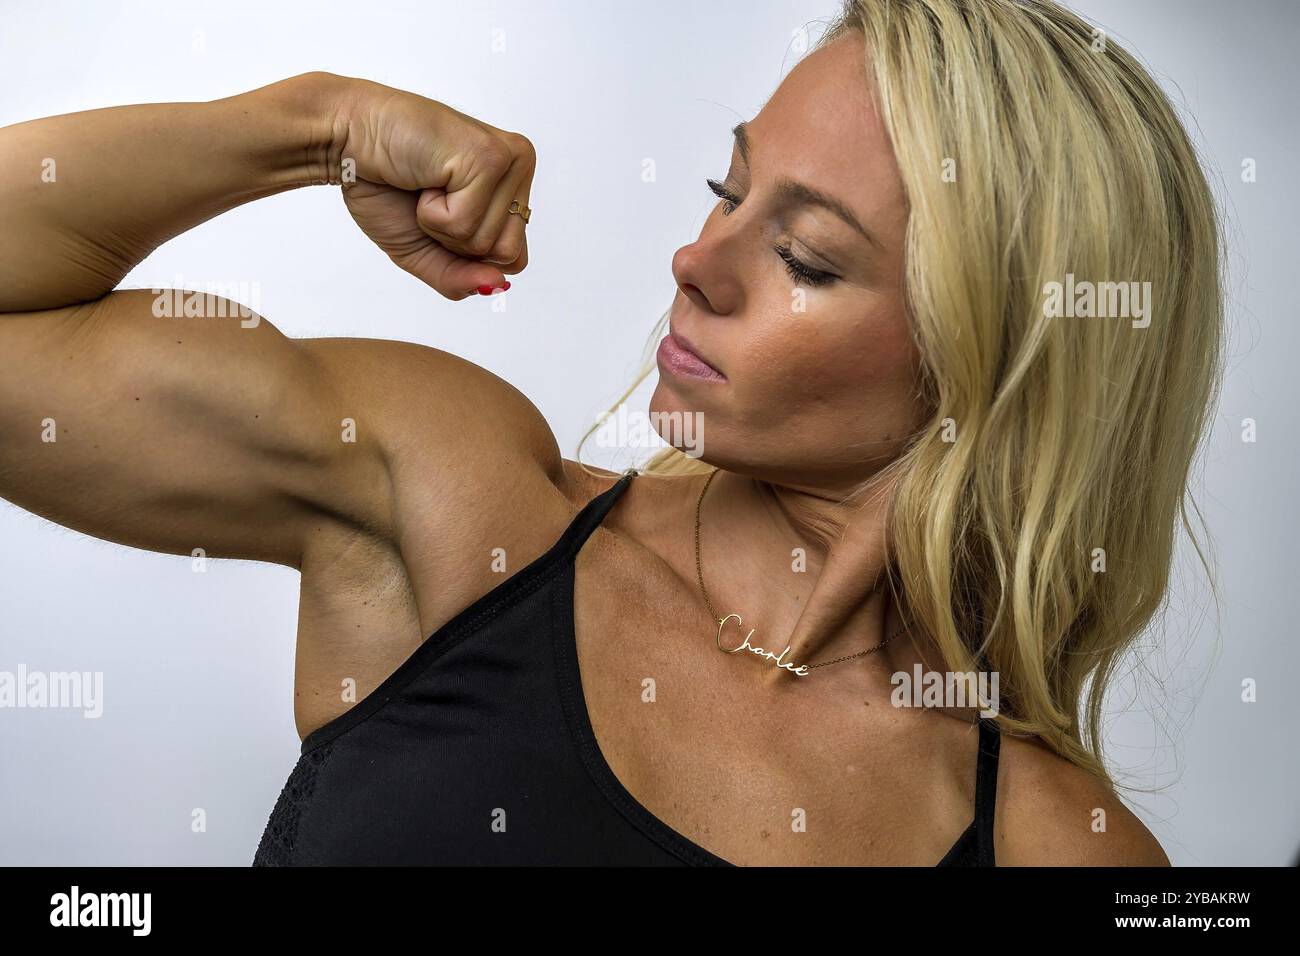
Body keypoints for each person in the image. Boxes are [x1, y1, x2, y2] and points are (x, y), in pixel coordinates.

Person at [0, 0, 1220, 865]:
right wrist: (320, 124)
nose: (695, 262)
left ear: (995, 360)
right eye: (724, 192)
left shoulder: (1057, 847)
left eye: (802, 254)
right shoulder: (461, 500)